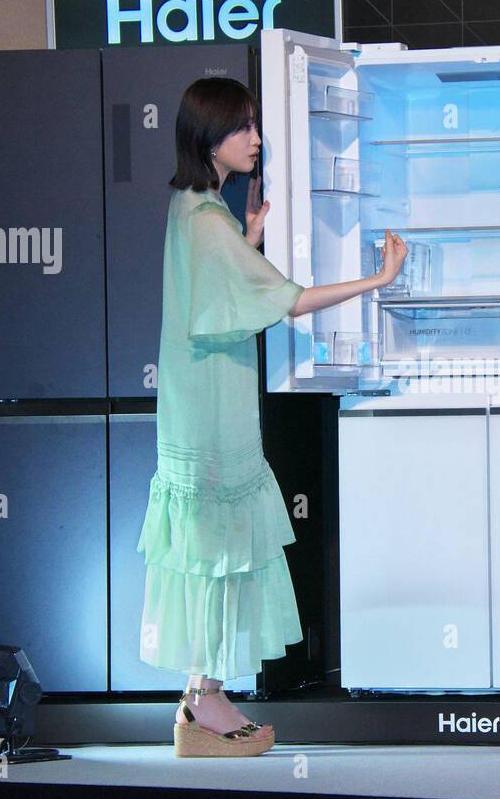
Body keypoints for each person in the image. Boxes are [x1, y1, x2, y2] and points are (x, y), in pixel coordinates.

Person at [135, 77, 407, 757]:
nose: (256, 139)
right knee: (215, 550)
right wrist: (379, 281)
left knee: (212, 553)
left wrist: (248, 239)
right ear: (208, 136)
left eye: (255, 125)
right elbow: (287, 301)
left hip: (200, 405)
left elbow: (227, 297)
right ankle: (203, 701)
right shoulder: (204, 220)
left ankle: (204, 698)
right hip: (208, 414)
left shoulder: (196, 210)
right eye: (242, 127)